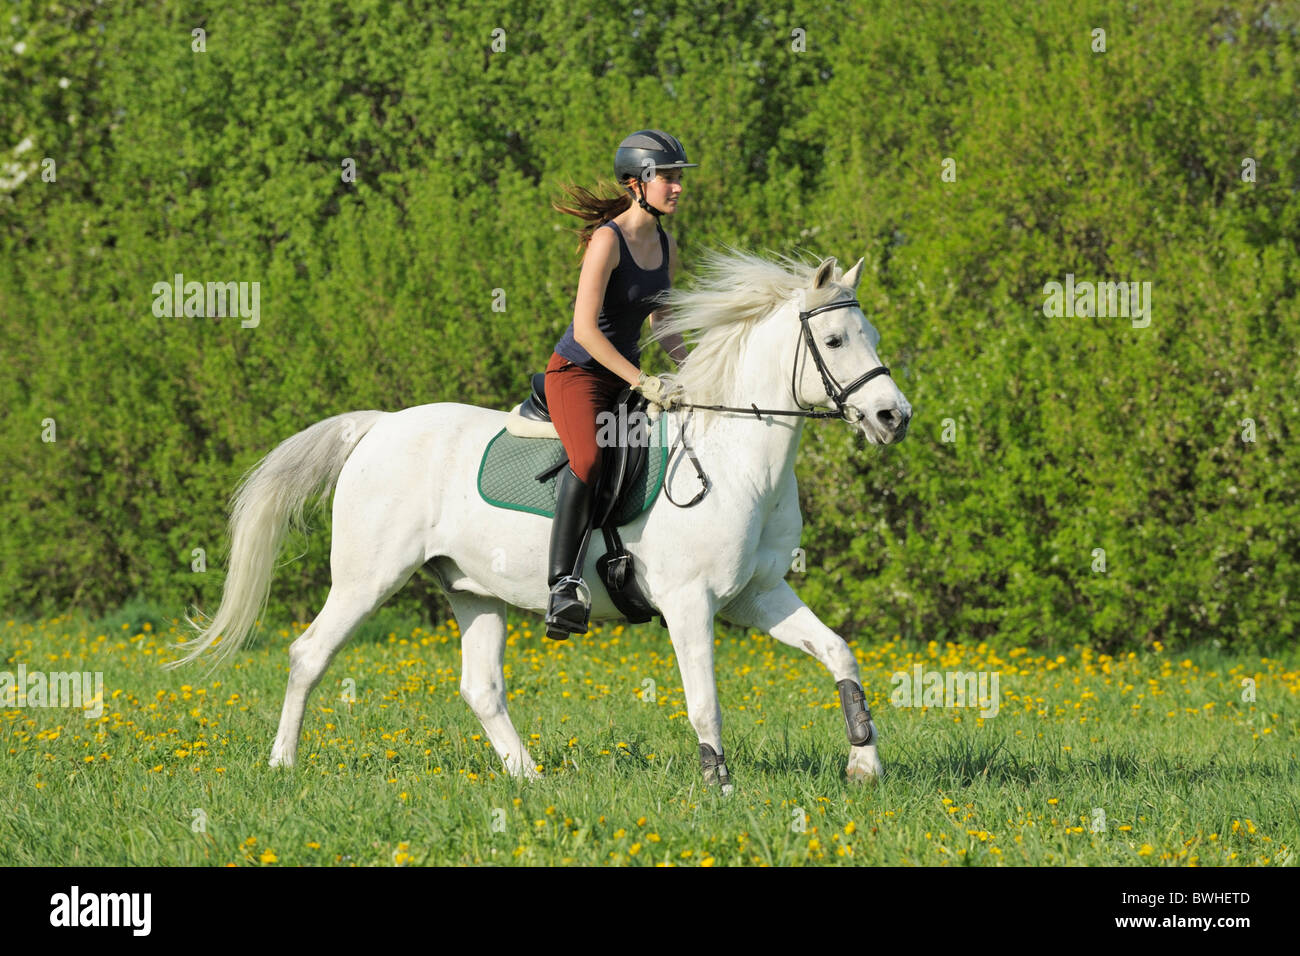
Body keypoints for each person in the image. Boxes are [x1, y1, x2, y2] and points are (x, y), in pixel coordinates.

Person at [542, 129, 695, 640]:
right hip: (579, 375)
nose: (677, 187)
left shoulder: (666, 243)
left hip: (626, 379)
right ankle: (561, 584)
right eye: (667, 179)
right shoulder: (608, 239)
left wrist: (695, 372)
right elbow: (585, 328)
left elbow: (662, 322)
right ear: (637, 183)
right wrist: (644, 380)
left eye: (677, 179)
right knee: (588, 459)